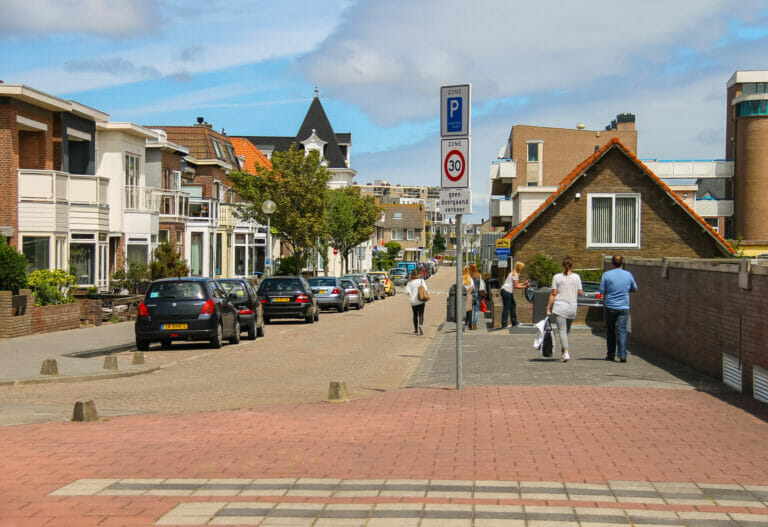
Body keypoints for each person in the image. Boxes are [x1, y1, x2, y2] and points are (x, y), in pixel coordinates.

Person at [600, 255, 638, 362]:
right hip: (624, 307)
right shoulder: (628, 275)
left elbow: (602, 291)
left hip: (610, 306)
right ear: (622, 263)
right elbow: (634, 288)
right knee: (622, 330)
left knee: (610, 330)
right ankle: (622, 355)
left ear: (612, 263)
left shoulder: (607, 275)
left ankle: (611, 354)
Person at [546, 256, 583, 363]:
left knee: (562, 331)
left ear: (563, 265)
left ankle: (566, 352)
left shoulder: (557, 277)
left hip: (560, 307)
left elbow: (553, 293)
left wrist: (548, 307)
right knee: (566, 331)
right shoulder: (576, 277)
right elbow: (580, 292)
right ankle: (563, 353)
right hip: (572, 307)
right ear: (572, 265)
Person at [500, 261, 530, 327]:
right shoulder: (515, 274)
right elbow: (516, 286)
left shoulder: (512, 273)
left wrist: (524, 283)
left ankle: (514, 322)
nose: (522, 269)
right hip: (507, 291)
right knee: (507, 307)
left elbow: (516, 284)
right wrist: (525, 286)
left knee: (512, 306)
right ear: (519, 267)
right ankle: (504, 323)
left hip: (505, 291)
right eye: (521, 268)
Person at [405, 268, 428, 335]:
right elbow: (426, 289)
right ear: (418, 274)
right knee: (421, 314)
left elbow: (407, 292)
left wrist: (411, 294)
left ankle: (415, 330)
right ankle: (420, 325)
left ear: (412, 274)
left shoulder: (410, 282)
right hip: (421, 299)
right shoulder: (421, 281)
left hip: (413, 301)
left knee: (415, 315)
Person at [469, 263, 485, 330]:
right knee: (476, 310)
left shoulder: (469, 276)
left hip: (470, 294)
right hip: (478, 295)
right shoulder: (479, 275)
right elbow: (483, 285)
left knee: (469, 310)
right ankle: (474, 323)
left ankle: (469, 324)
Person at [461, 266, 475, 331]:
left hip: (462, 297)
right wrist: (469, 292)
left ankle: (464, 323)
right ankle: (468, 324)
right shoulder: (470, 279)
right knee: (469, 311)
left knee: (463, 311)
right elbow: (473, 287)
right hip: (469, 297)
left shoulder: (462, 279)